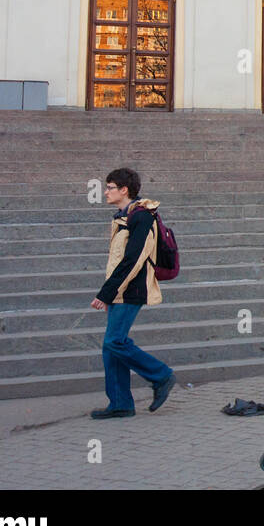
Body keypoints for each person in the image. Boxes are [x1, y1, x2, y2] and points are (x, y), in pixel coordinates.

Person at [89, 168, 175, 419]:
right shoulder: (123, 216)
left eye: (110, 187)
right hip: (120, 289)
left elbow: (133, 260)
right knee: (110, 347)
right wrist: (110, 293)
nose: (105, 192)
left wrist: (107, 293)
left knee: (114, 341)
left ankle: (161, 375)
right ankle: (120, 403)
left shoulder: (142, 217)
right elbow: (117, 261)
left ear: (124, 190)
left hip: (132, 289)